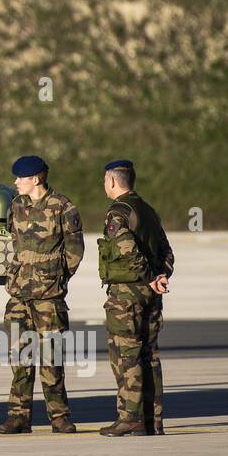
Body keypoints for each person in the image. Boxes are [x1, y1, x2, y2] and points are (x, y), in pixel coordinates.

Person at [0, 155, 84, 435]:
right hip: (20, 294)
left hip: (49, 295)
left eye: (20, 178)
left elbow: (74, 250)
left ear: (35, 179)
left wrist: (56, 278)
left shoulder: (62, 207)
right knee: (19, 356)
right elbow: (16, 243)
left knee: (51, 356)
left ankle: (59, 416)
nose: (15, 182)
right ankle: (19, 416)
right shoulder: (16, 205)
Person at [97, 159, 173, 437]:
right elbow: (166, 251)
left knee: (126, 356)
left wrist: (149, 277)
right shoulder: (148, 210)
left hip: (127, 296)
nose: (104, 185)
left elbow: (128, 251)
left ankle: (130, 418)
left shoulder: (118, 212)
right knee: (149, 356)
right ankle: (153, 420)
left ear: (114, 181)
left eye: (105, 180)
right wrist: (161, 276)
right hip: (151, 295)